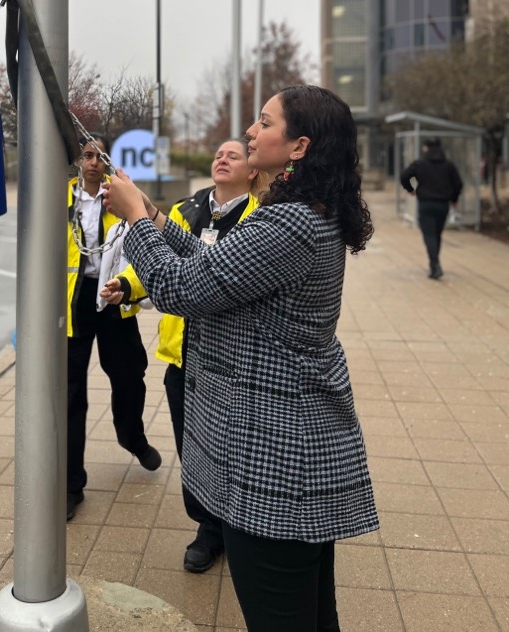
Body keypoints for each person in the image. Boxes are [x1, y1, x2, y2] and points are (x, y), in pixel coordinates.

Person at [102, 86, 378, 632]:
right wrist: (154, 216)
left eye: (263, 122)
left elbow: (183, 288)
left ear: (298, 146)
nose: (250, 132)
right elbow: (214, 263)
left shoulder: (289, 223)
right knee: (312, 615)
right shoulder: (300, 213)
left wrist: (134, 221)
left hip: (274, 461)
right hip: (285, 449)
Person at [103, 140, 260, 574]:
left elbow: (201, 273)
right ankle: (208, 528)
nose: (223, 158)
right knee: (191, 449)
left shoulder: (259, 220)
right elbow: (157, 261)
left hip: (229, 359)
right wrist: (128, 285)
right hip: (182, 358)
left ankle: (237, 527)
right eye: (219, 154)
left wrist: (137, 214)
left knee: (230, 449)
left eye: (236, 154)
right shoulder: (185, 210)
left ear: (254, 171)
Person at [66, 135, 161, 522]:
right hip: (72, 302)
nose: (92, 162)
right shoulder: (62, 199)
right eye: (86, 155)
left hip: (114, 298)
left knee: (128, 375)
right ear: (77, 160)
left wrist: (126, 286)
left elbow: (142, 249)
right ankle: (71, 485)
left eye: (99, 156)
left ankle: (131, 435)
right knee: (70, 394)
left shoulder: (120, 199)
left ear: (107, 162)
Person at [400, 137, 463, 280]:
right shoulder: (448, 165)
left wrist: (410, 189)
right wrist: (454, 198)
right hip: (443, 206)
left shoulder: (420, 164)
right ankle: (434, 264)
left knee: (429, 235)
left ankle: (435, 265)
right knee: (437, 234)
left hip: (425, 205)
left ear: (426, 148)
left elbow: (404, 176)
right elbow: (458, 183)